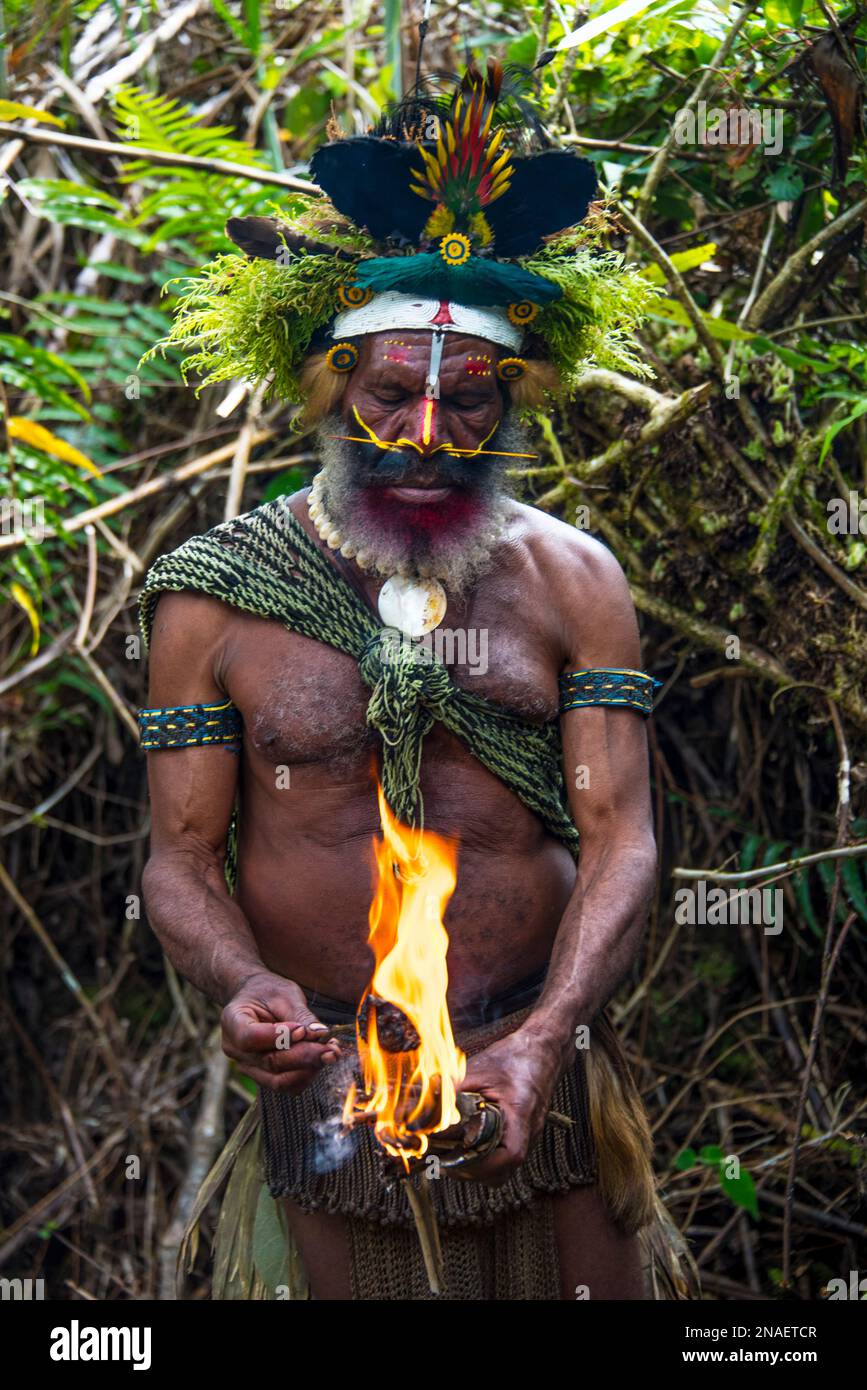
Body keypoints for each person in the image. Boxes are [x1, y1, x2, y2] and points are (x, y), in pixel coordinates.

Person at [138, 60, 683, 1301]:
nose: (428, 435)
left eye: (468, 403)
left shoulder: (573, 580)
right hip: (333, 1074)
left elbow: (623, 841)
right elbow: (177, 861)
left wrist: (548, 1040)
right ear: (331, 390)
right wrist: (244, 986)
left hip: (541, 1057)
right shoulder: (213, 594)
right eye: (390, 394)